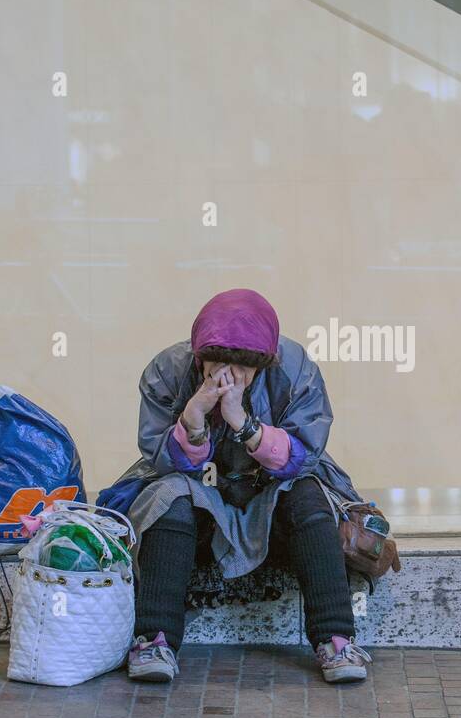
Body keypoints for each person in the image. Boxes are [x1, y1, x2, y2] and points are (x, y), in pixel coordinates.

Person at [97, 288, 372, 685]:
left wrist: (243, 424)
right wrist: (193, 420)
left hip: (269, 493)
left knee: (308, 495)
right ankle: (154, 640)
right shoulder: (167, 372)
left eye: (243, 368)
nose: (228, 375)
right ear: (198, 355)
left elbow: (304, 455)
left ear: (264, 362)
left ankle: (336, 639)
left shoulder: (295, 371)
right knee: (168, 497)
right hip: (198, 494)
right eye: (216, 363)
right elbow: (159, 458)